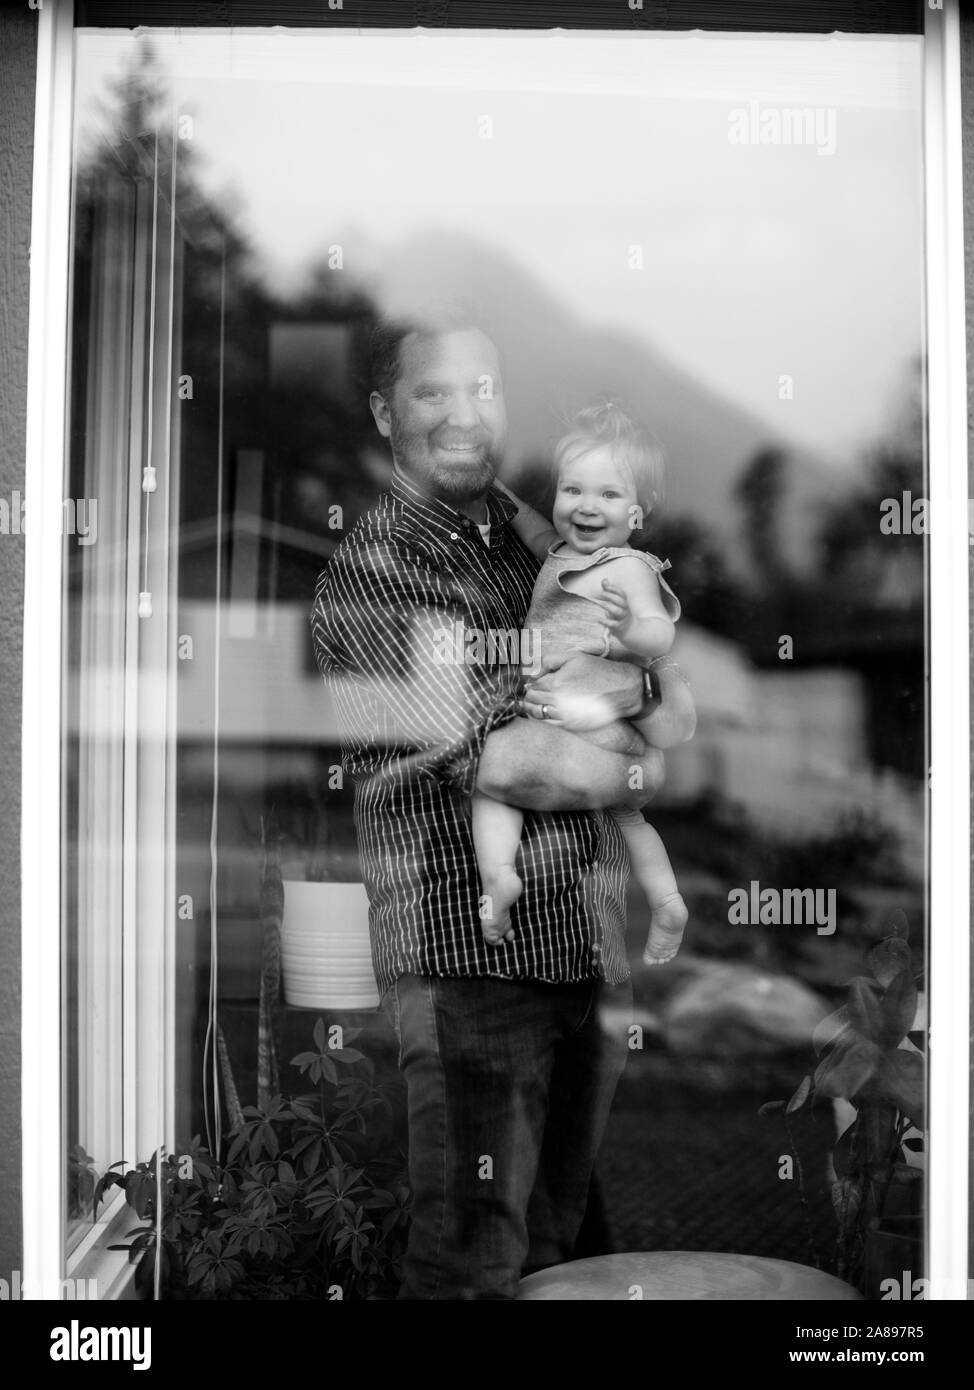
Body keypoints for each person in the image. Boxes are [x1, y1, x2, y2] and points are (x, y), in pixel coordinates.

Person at [310, 312, 696, 1300]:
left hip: (577, 950)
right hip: (470, 970)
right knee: (469, 1266)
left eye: (481, 388)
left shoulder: (536, 552)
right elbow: (506, 760)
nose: (461, 412)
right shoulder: (377, 571)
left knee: (553, 1262)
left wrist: (648, 706)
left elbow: (655, 700)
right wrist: (652, 773)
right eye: (431, 390)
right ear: (383, 412)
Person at [473, 401, 689, 968]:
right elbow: (535, 527)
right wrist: (498, 490)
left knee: (492, 782)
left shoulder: (628, 567)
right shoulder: (562, 554)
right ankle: (666, 903)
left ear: (637, 515)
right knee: (629, 819)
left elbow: (659, 632)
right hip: (577, 722)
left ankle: (498, 874)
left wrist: (628, 633)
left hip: (599, 720)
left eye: (609, 495)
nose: (587, 507)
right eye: (573, 490)